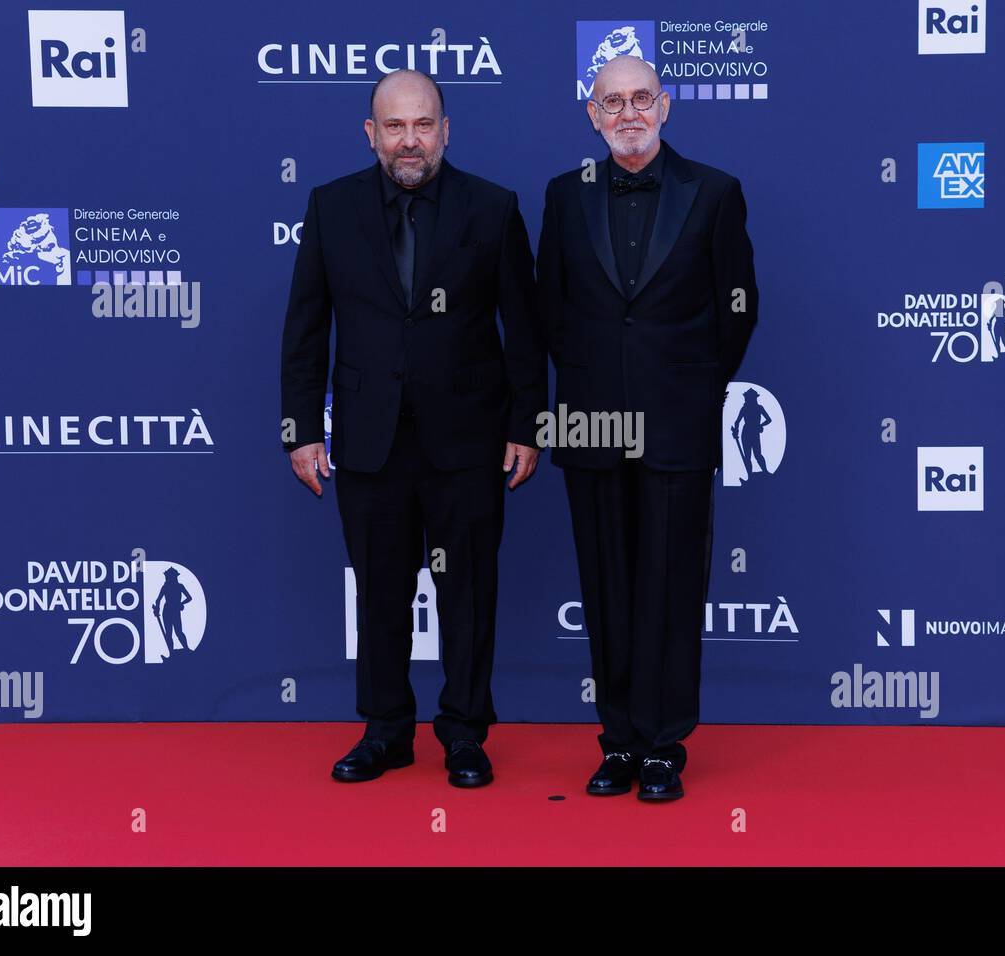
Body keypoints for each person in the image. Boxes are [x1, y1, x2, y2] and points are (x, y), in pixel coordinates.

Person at [280, 69, 546, 788]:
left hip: (468, 440)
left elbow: (524, 331)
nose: (409, 140)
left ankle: (465, 733)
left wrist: (527, 424)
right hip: (370, 441)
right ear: (371, 134)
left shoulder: (492, 207)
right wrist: (301, 430)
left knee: (468, 593)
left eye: (423, 124)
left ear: (445, 131)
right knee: (380, 592)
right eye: (394, 126)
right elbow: (306, 330)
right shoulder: (331, 207)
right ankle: (386, 731)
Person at [536, 55, 758, 800]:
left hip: (677, 420)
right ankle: (620, 740)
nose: (627, 113)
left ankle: (665, 744)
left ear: (665, 106)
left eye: (640, 98)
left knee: (670, 583)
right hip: (592, 422)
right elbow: (550, 309)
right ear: (591, 114)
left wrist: (690, 386)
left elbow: (737, 306)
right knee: (606, 587)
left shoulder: (715, 191)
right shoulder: (564, 194)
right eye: (612, 102)